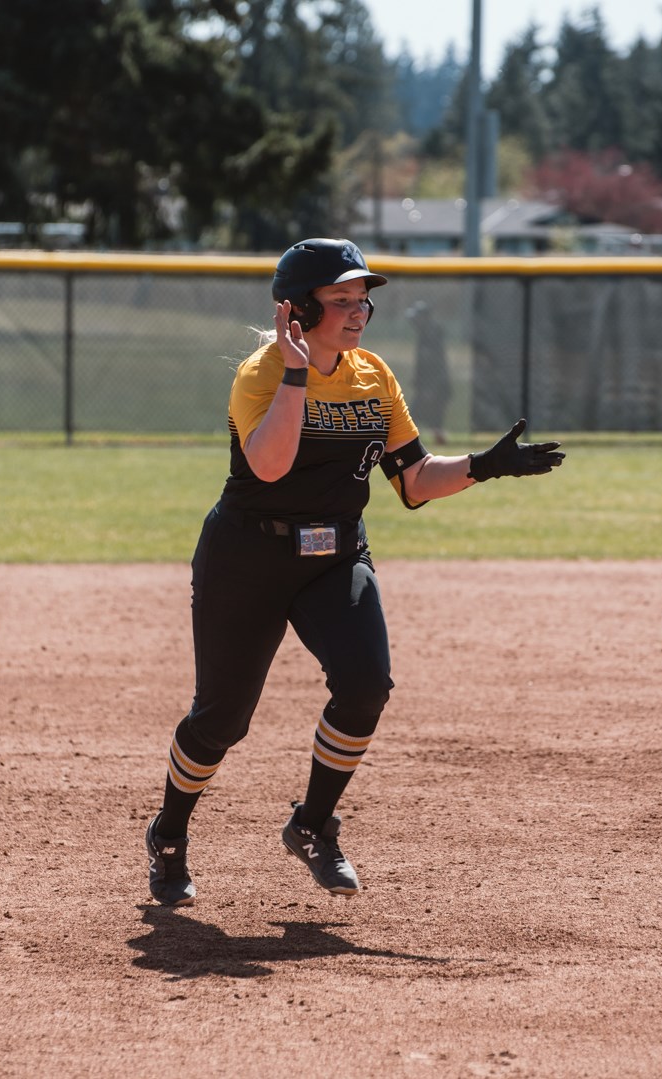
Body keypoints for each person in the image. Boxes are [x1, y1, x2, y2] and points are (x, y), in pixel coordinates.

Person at [145, 238, 564, 906]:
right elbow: (270, 467)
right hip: (247, 558)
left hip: (334, 556)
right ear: (299, 309)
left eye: (362, 298)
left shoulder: (373, 376)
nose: (358, 310)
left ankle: (312, 825)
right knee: (221, 720)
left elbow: (414, 480)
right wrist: (295, 375)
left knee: (367, 685)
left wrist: (485, 466)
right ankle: (168, 834)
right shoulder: (260, 374)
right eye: (340, 299)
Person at [406, 301, 452, 444]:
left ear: (425, 317)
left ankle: (409, 444)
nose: (414, 321)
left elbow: (434, 364)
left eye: (417, 318)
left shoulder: (431, 335)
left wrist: (429, 387)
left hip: (434, 385)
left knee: (416, 417)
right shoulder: (425, 334)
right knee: (432, 419)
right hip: (429, 385)